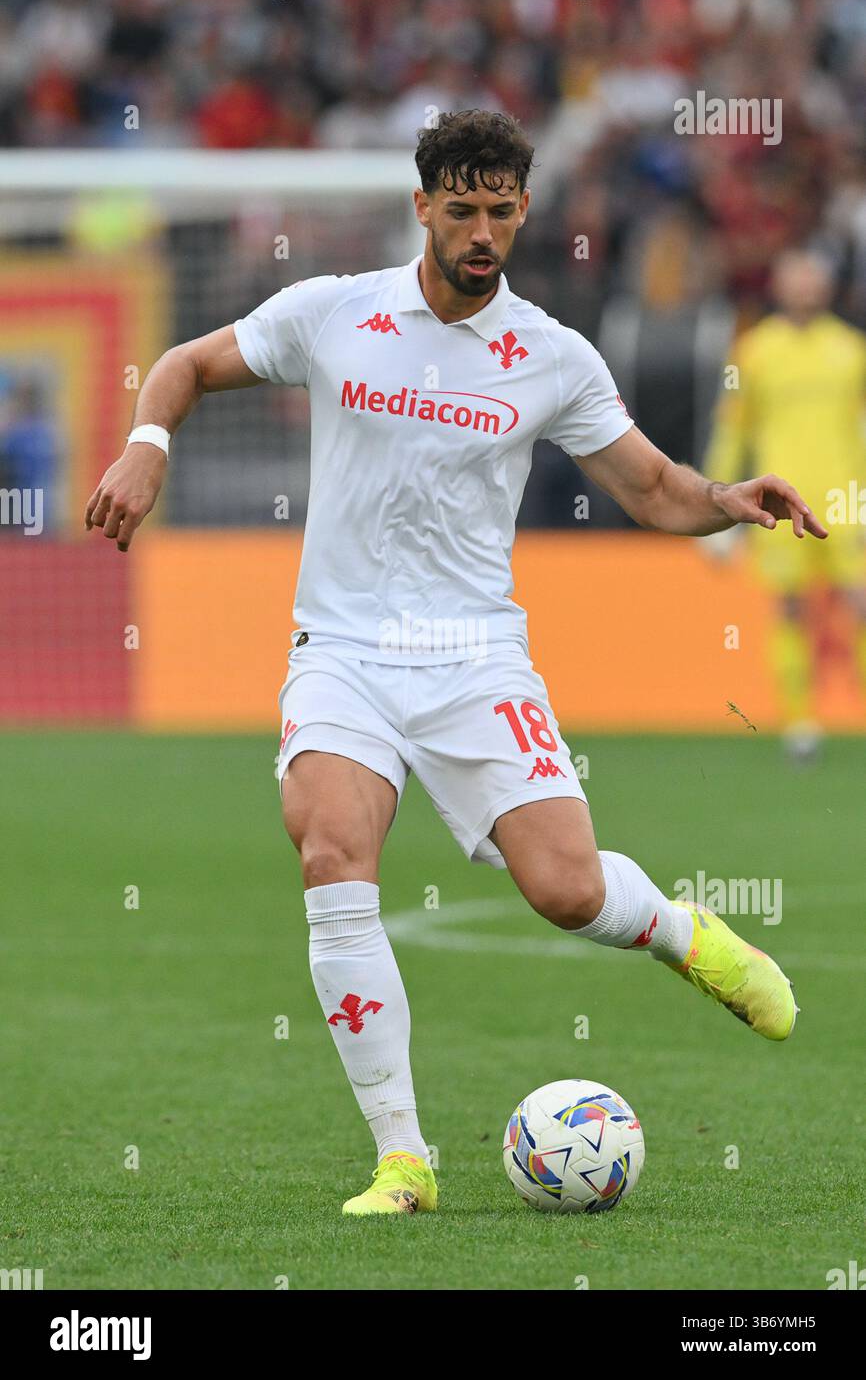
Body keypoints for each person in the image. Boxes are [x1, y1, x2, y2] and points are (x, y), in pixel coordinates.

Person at [85, 112, 826, 1218]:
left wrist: (723, 499)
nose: (482, 232)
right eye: (462, 209)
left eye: (500, 211)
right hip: (339, 649)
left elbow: (650, 486)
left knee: (565, 890)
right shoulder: (335, 312)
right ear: (422, 204)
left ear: (522, 211)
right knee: (332, 851)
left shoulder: (550, 354)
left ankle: (683, 933)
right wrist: (147, 449)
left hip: (474, 657)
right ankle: (404, 1158)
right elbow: (185, 366)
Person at [706, 249, 866, 760]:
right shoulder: (755, 351)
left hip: (844, 500)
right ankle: (800, 725)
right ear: (779, 287)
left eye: (812, 281)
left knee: (860, 605)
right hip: (779, 502)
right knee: (791, 609)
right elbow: (734, 430)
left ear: (826, 288)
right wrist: (719, 505)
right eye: (795, 280)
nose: (804, 290)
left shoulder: (851, 350)